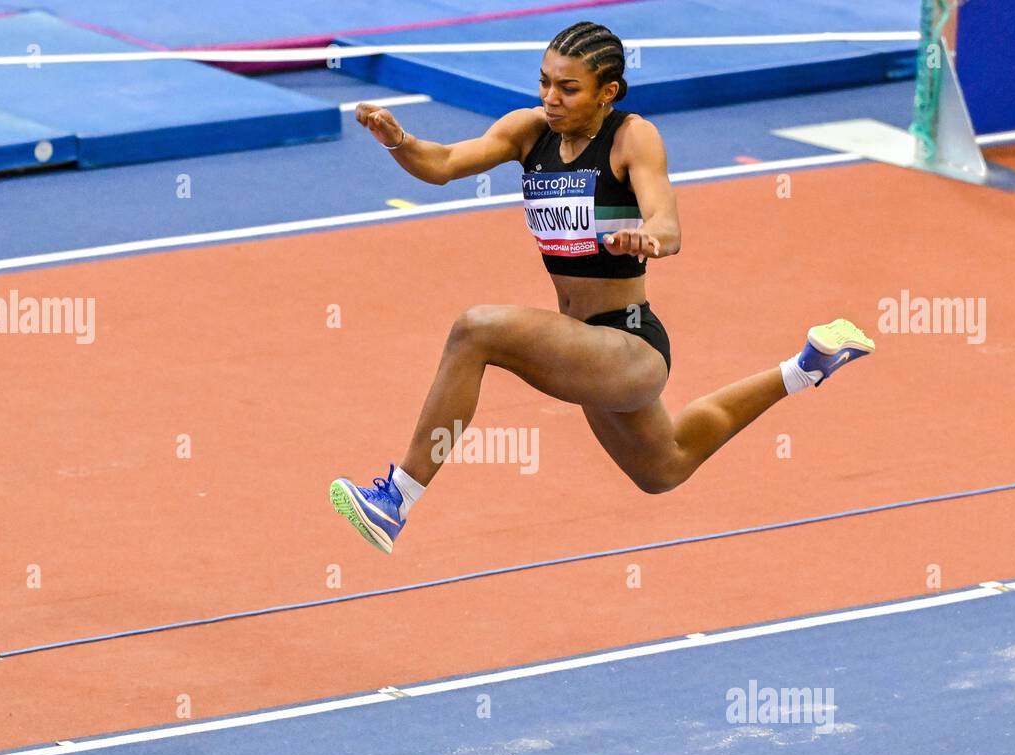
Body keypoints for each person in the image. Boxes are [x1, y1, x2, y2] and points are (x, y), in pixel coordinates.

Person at [331, 21, 874, 553]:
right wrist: (399, 141)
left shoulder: (632, 137)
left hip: (630, 347)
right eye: (545, 82)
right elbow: (446, 162)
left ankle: (396, 499)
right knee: (664, 468)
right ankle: (805, 368)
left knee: (475, 331)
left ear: (607, 92)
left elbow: (667, 224)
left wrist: (647, 238)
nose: (551, 98)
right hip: (581, 344)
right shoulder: (529, 131)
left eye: (568, 88)